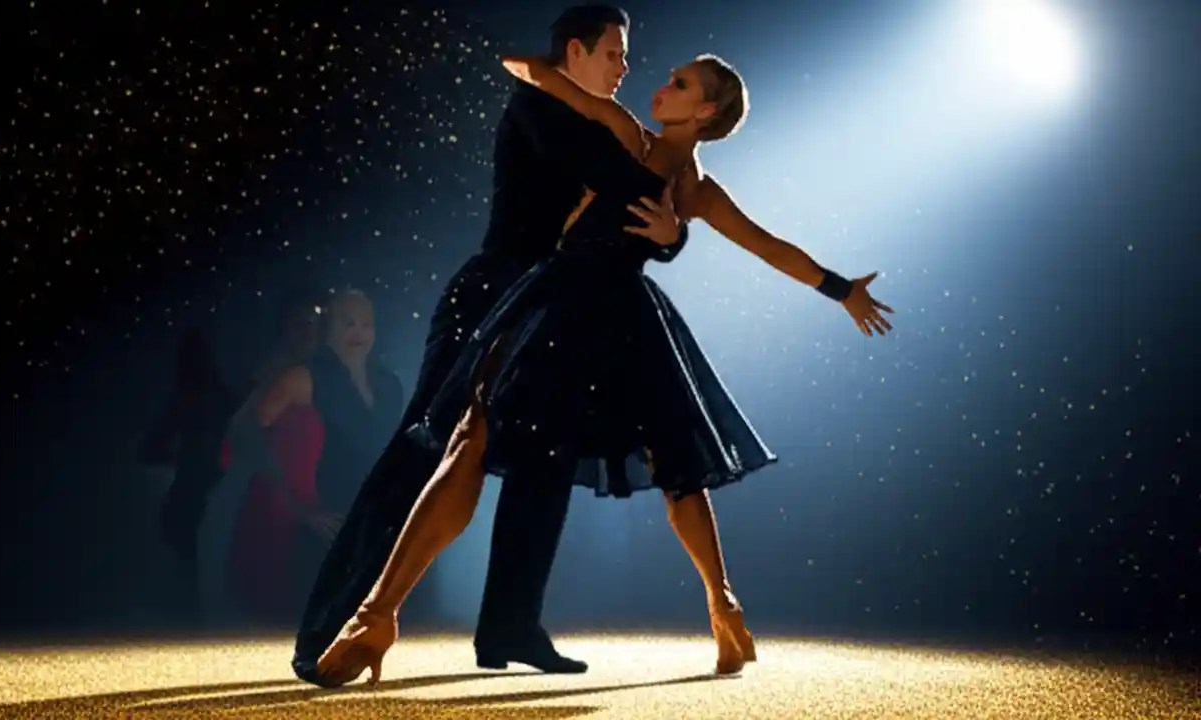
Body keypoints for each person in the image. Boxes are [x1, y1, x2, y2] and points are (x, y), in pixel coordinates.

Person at [314, 47, 895, 686]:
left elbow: (768, 246)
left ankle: (723, 604)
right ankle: (375, 616)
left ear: (705, 112)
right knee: (470, 441)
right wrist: (524, 60)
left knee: (676, 467)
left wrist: (842, 290)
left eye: (680, 84)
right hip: (554, 300)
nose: (661, 86)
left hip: (618, 320)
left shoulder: (696, 191)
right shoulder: (626, 133)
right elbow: (553, 84)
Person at [290, 5, 688, 685]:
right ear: (575, 51)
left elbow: (637, 221)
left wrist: (672, 234)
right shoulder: (539, 104)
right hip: (490, 296)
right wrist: (653, 153)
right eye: (614, 53)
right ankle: (329, 628)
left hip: (556, 307)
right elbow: (623, 186)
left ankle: (512, 625)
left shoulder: (588, 115)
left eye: (626, 56)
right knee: (424, 451)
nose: (625, 67)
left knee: (546, 460)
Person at [214, 289, 405, 623]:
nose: (358, 332)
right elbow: (245, 431)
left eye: (366, 324)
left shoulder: (389, 384)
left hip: (378, 521)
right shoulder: (304, 377)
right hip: (326, 520)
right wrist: (295, 504)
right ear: (328, 327)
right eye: (348, 323)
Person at [140, 328, 238, 624]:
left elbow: (152, 448)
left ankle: (193, 612)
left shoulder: (190, 398)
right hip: (207, 484)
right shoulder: (215, 397)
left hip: (202, 484)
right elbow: (152, 448)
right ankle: (194, 613)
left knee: (195, 556)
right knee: (196, 555)